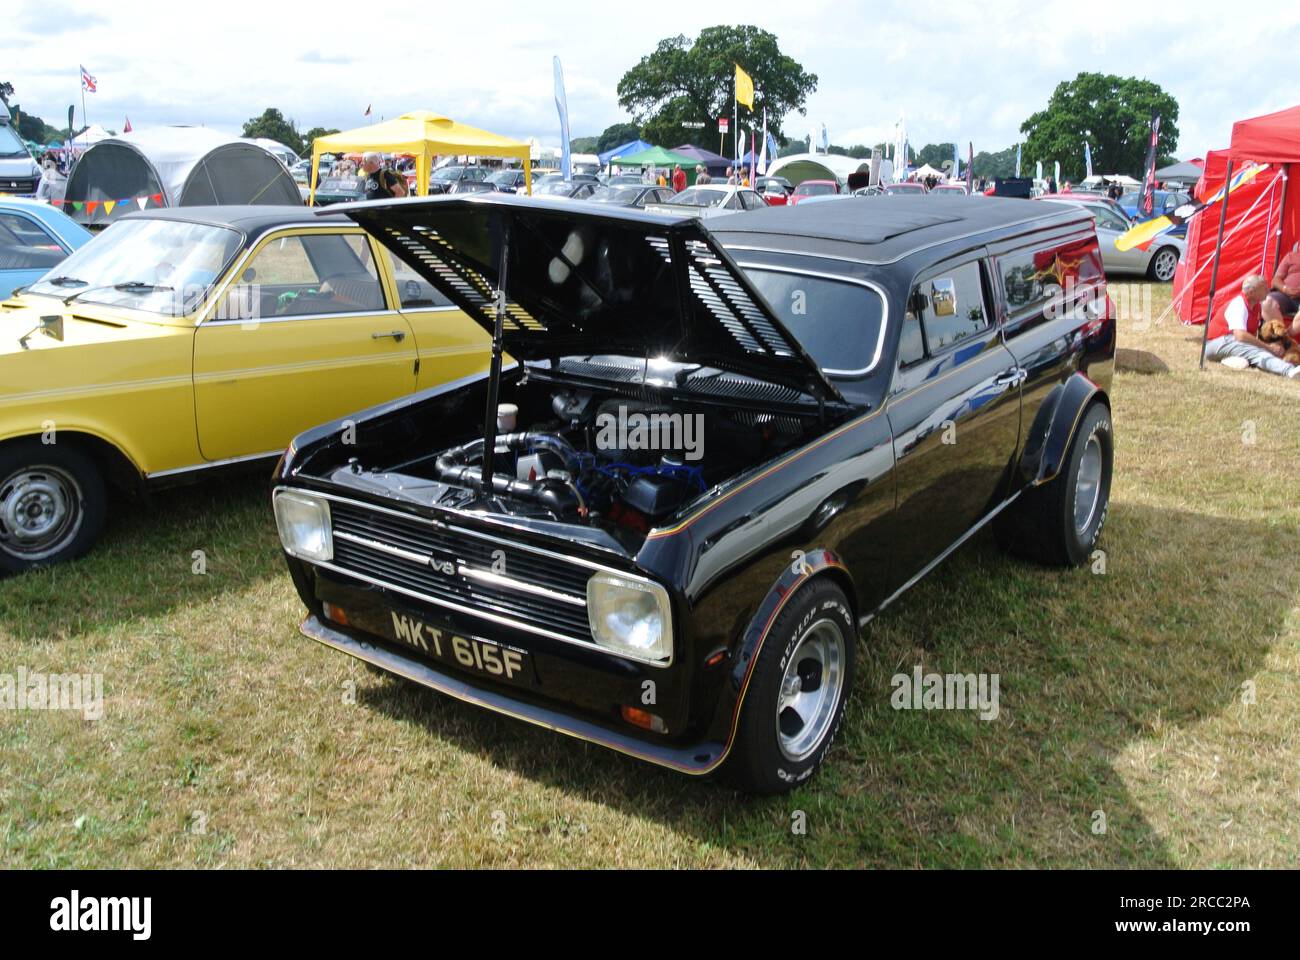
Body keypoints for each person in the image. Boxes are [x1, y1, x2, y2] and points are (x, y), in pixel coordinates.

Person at [1204, 274, 1300, 378]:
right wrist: (1268, 347)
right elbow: (1240, 336)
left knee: (1256, 351)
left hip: (1231, 343)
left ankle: (1233, 359)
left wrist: (1271, 347)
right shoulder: (1239, 304)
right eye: (1264, 288)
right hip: (1218, 342)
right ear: (1251, 292)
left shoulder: (1257, 306)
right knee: (1257, 352)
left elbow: (1251, 337)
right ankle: (1289, 371)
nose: (1268, 290)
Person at [1261, 245, 1300, 338]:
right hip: (1285, 295)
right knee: (1266, 302)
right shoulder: (1291, 256)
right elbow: (1275, 280)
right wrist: (1285, 289)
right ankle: (1281, 336)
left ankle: (1286, 338)